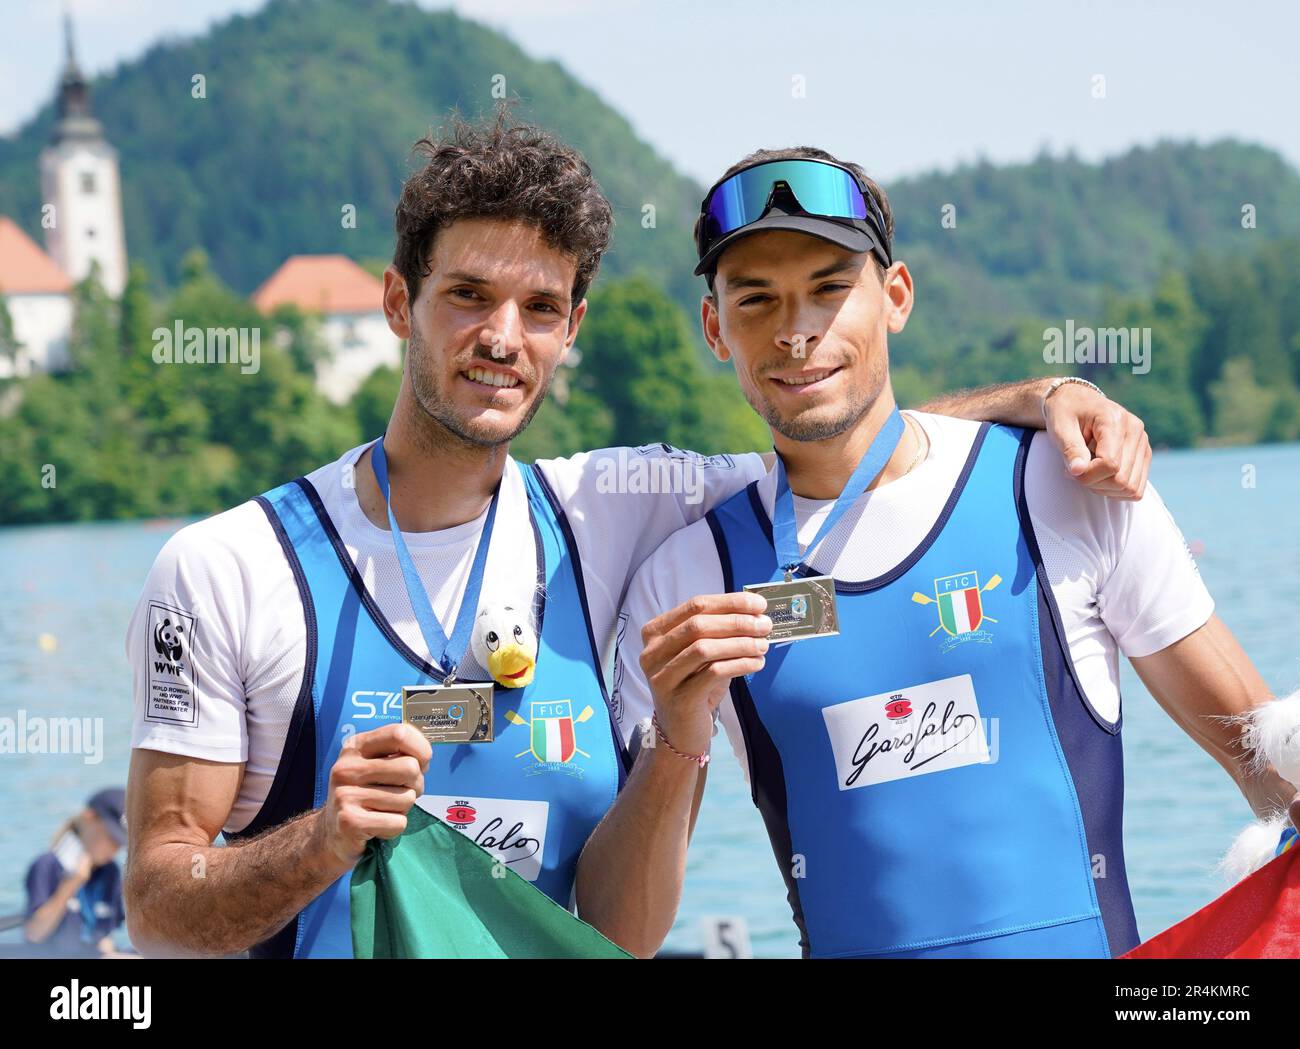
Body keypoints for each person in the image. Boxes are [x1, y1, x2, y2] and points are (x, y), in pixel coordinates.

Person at [123, 115, 1153, 958]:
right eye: (467, 297)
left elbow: (844, 433)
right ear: (400, 303)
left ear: (572, 327)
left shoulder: (613, 511)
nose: (501, 337)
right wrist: (321, 842)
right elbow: (157, 905)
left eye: (538, 307)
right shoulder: (229, 566)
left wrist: (1045, 392)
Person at [578, 146, 1300, 959]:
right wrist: (679, 730)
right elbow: (617, 936)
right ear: (716, 328)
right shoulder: (688, 580)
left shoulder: (1062, 488)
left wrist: (1056, 389)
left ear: (895, 296)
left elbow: (1264, 758)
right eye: (756, 299)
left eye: (828, 288)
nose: (796, 330)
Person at [23, 788, 128, 957]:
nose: (115, 848)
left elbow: (105, 939)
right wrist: (71, 884)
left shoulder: (111, 872)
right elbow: (34, 934)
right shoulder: (46, 865)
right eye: (111, 837)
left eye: (120, 842)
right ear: (89, 817)